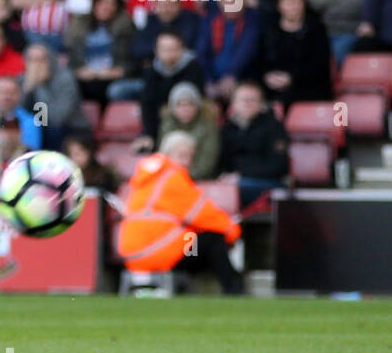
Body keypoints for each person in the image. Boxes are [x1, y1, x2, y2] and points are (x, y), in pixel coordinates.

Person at [117, 131, 244, 295]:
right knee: (213, 239)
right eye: (182, 155)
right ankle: (233, 290)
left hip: (134, 254)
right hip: (157, 253)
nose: (187, 161)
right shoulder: (173, 178)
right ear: (167, 154)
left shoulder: (148, 177)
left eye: (190, 156)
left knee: (196, 240)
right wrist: (232, 230)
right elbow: (203, 215)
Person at [218, 80, 289, 207]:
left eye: (252, 100)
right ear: (234, 103)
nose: (247, 104)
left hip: (267, 183)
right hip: (233, 182)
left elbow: (279, 166)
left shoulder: (274, 127)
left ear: (261, 104)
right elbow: (223, 163)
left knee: (232, 190)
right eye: (243, 100)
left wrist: (241, 175)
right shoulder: (228, 129)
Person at [157, 81, 220, 181]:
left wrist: (184, 177)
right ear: (172, 108)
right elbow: (163, 156)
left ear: (197, 106)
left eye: (190, 104)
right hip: (170, 179)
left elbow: (207, 160)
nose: (185, 108)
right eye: (180, 105)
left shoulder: (208, 126)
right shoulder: (166, 126)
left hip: (200, 180)